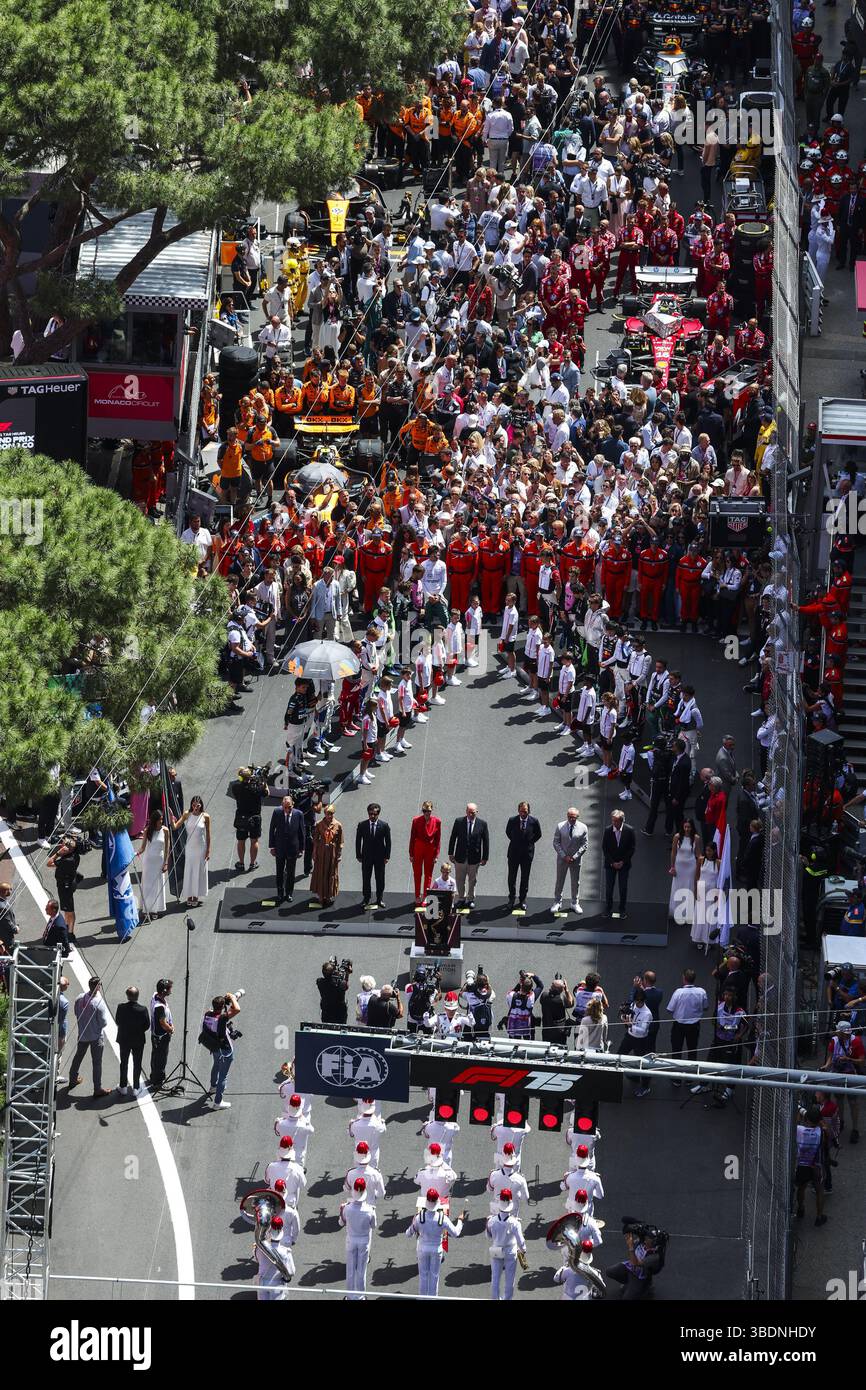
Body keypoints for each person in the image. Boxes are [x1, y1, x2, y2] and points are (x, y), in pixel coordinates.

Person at [405, 1189, 467, 1299]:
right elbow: (456, 1233)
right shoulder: (443, 1218)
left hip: (422, 1249)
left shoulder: (419, 1217)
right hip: (436, 1249)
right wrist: (460, 1221)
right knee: (434, 1276)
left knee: (423, 1275)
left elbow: (408, 1234)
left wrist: (412, 1223)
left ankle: (422, 1298)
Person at [821, 1018, 865, 1142]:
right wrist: (825, 1067)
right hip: (837, 1073)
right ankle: (842, 1121)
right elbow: (830, 1059)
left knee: (853, 1102)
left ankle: (855, 1129)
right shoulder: (834, 1041)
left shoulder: (856, 1041)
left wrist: (848, 1059)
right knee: (839, 1099)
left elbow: (862, 1060)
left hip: (851, 1073)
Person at [67, 976, 111, 1098]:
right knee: (97, 1063)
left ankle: (72, 1079)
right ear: (97, 987)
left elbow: (76, 1013)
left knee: (78, 1057)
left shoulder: (80, 998)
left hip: (82, 1035)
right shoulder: (99, 1003)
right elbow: (103, 1023)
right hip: (96, 1037)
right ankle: (97, 1089)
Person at [200, 992, 241, 1109]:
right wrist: (233, 998)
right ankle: (218, 1102)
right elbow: (237, 1009)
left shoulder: (207, 1014)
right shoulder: (222, 1018)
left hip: (214, 1046)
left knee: (216, 1065)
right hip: (225, 1050)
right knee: (223, 1076)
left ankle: (213, 1086)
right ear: (223, 1007)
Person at [340, 1176, 378, 1300]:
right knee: (361, 1270)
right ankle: (360, 1297)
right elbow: (374, 1225)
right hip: (363, 1241)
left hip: (351, 1240)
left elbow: (341, 1223)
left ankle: (350, 1297)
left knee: (350, 1269)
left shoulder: (347, 1208)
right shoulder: (370, 1210)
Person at [486, 1188, 527, 1301]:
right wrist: (523, 1250)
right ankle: (507, 1298)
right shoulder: (515, 1223)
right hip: (510, 1251)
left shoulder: (491, 1221)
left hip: (496, 1249)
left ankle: (495, 1298)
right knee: (510, 1278)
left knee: (495, 1278)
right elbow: (521, 1240)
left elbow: (488, 1236)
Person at [665, 969, 707, 1077]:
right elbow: (705, 1007)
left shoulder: (678, 992)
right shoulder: (701, 992)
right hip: (694, 1026)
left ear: (684, 978)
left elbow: (670, 1009)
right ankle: (690, 1076)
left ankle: (677, 1077)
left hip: (679, 1026)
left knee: (676, 1050)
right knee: (692, 1050)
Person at [605, 1223, 664, 1299]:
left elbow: (635, 1263)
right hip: (630, 1267)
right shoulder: (643, 1240)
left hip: (639, 1276)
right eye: (645, 1237)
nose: (645, 1239)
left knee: (626, 1298)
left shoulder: (654, 1257)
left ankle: (645, 1288)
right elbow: (627, 1228)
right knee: (609, 1271)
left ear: (654, 1242)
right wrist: (632, 1228)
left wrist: (630, 1246)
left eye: (647, 1239)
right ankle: (629, 1284)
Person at [447, 803, 490, 908]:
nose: (471, 814)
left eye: (473, 812)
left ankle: (470, 899)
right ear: (466, 811)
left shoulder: (482, 824)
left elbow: (486, 841)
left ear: (477, 812)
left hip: (474, 858)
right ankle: (461, 898)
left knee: (472, 880)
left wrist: (485, 857)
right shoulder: (459, 822)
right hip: (460, 857)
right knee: (459, 879)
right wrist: (450, 852)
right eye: (469, 812)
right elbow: (453, 837)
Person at [171, 796, 210, 908]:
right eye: (193, 805)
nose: (196, 807)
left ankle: (196, 895)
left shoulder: (206, 816)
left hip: (201, 848)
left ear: (201, 805)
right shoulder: (187, 814)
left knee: (198, 870)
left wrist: (208, 850)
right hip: (190, 848)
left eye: (198, 805)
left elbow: (208, 835)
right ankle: (189, 894)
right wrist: (171, 818)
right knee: (189, 870)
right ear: (191, 804)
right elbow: (175, 827)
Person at [228, 766, 268, 873]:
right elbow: (266, 793)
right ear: (250, 777)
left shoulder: (235, 787)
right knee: (254, 840)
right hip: (254, 817)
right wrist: (263, 781)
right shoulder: (256, 788)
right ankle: (252, 863)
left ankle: (241, 863)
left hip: (241, 817)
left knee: (241, 841)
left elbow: (242, 783)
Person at [268, 795, 306, 904]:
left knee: (291, 873)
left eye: (289, 807)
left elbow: (301, 832)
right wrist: (272, 846)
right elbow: (272, 830)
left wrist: (301, 848)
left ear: (293, 805)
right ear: (282, 806)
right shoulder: (277, 812)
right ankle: (280, 893)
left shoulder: (299, 814)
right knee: (279, 872)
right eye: (285, 807)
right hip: (279, 848)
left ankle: (289, 893)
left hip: (293, 848)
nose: (287, 810)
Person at [795, 1104, 828, 1228]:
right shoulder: (821, 1132)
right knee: (820, 1190)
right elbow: (824, 1127)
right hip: (817, 1166)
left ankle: (800, 1208)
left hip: (802, 1164)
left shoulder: (799, 1130)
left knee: (801, 1188)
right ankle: (819, 1216)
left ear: (806, 1119)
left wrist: (801, 1113)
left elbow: (797, 1120)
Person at [504, 800, 542, 908]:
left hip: (527, 854)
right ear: (518, 811)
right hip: (513, 853)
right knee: (512, 877)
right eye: (521, 811)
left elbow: (538, 834)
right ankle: (511, 899)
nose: (523, 813)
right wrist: (516, 841)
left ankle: (522, 900)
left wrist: (529, 842)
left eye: (525, 811)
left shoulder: (534, 821)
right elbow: (508, 832)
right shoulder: (512, 820)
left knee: (525, 878)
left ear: (529, 811)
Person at [551, 806, 588, 914]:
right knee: (559, 881)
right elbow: (556, 843)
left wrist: (575, 856)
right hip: (562, 859)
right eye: (569, 817)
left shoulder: (583, 827)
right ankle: (557, 902)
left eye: (573, 817)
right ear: (567, 816)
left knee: (575, 882)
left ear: (577, 817)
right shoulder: (560, 826)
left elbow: (585, 845)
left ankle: (575, 903)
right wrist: (564, 856)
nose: (571, 819)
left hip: (575, 860)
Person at [356, 804, 391, 909]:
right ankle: (366, 899)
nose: (372, 816)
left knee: (380, 878)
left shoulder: (384, 825)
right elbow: (358, 841)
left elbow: (388, 842)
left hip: (380, 857)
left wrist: (387, 856)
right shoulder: (362, 825)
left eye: (375, 814)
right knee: (366, 878)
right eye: (370, 814)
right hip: (366, 857)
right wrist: (358, 855)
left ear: (378, 814)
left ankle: (379, 899)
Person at [620, 986, 653, 1098]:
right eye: (636, 1001)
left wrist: (630, 1025)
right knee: (619, 1055)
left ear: (643, 1000)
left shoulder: (647, 1014)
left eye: (640, 1001)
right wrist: (624, 1017)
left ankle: (645, 1086)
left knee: (642, 1063)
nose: (637, 1003)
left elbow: (643, 1030)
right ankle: (633, 1076)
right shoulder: (633, 1005)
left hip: (641, 1041)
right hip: (629, 1036)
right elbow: (628, 1015)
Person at [116, 985, 149, 1096]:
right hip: (138, 1040)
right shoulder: (143, 1009)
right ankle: (136, 1087)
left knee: (124, 1063)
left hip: (124, 1039)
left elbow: (118, 1021)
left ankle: (123, 1086)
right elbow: (147, 1025)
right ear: (137, 996)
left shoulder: (121, 1007)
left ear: (127, 996)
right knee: (137, 1063)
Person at [602, 809, 635, 916]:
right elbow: (605, 848)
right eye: (613, 821)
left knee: (623, 888)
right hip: (610, 865)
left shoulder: (629, 830)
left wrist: (622, 862)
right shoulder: (608, 830)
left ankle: (622, 909)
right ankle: (608, 908)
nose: (614, 823)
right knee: (609, 888)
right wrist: (612, 862)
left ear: (622, 821)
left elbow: (632, 848)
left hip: (624, 865)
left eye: (616, 821)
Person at [46, 835, 81, 935]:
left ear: (67, 849)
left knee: (69, 910)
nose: (61, 846)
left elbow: (49, 863)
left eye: (63, 845)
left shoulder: (66, 860)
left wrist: (57, 853)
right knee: (67, 909)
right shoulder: (75, 854)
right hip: (69, 882)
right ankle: (66, 927)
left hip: (65, 886)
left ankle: (70, 933)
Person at [137, 809, 168, 919]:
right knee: (148, 885)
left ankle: (155, 909)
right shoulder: (147, 830)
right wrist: (136, 853)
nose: (161, 821)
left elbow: (167, 848)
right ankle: (147, 909)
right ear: (154, 820)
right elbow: (143, 847)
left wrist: (166, 863)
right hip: (148, 861)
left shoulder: (165, 831)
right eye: (159, 820)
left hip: (159, 861)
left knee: (157, 885)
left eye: (162, 819)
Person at [310, 804, 343, 908]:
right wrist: (314, 853)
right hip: (321, 850)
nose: (330, 816)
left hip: (332, 851)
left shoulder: (338, 825)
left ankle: (328, 896)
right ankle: (320, 896)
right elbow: (315, 839)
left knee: (331, 873)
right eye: (328, 813)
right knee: (320, 872)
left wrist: (339, 855)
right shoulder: (319, 824)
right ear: (324, 814)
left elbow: (340, 842)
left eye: (331, 814)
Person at [410, 801, 442, 904]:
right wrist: (411, 854)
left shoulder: (437, 821)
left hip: (430, 849)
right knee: (417, 874)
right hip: (418, 848)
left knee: (428, 874)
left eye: (428, 811)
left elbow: (438, 839)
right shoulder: (416, 821)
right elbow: (412, 837)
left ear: (432, 810)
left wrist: (436, 854)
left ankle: (425, 897)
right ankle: (417, 896)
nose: (426, 813)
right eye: (424, 811)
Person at [149, 978, 174, 1092]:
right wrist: (170, 1029)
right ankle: (158, 1083)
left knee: (155, 1056)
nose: (171, 990)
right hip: (161, 1036)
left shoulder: (156, 995)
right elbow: (163, 1023)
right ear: (164, 991)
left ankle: (153, 1077)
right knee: (161, 1059)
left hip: (155, 1035)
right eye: (169, 988)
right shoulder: (159, 1006)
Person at [538, 974, 574, 1044]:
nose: (550, 986)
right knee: (560, 1048)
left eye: (552, 985)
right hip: (559, 1031)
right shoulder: (562, 999)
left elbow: (543, 999)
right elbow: (571, 1003)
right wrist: (566, 990)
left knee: (546, 1048)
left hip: (546, 1029)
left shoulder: (544, 995)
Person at [317, 958, 351, 1024]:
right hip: (340, 1014)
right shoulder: (341, 984)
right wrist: (347, 974)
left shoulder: (320, 982)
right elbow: (346, 986)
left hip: (326, 1013)